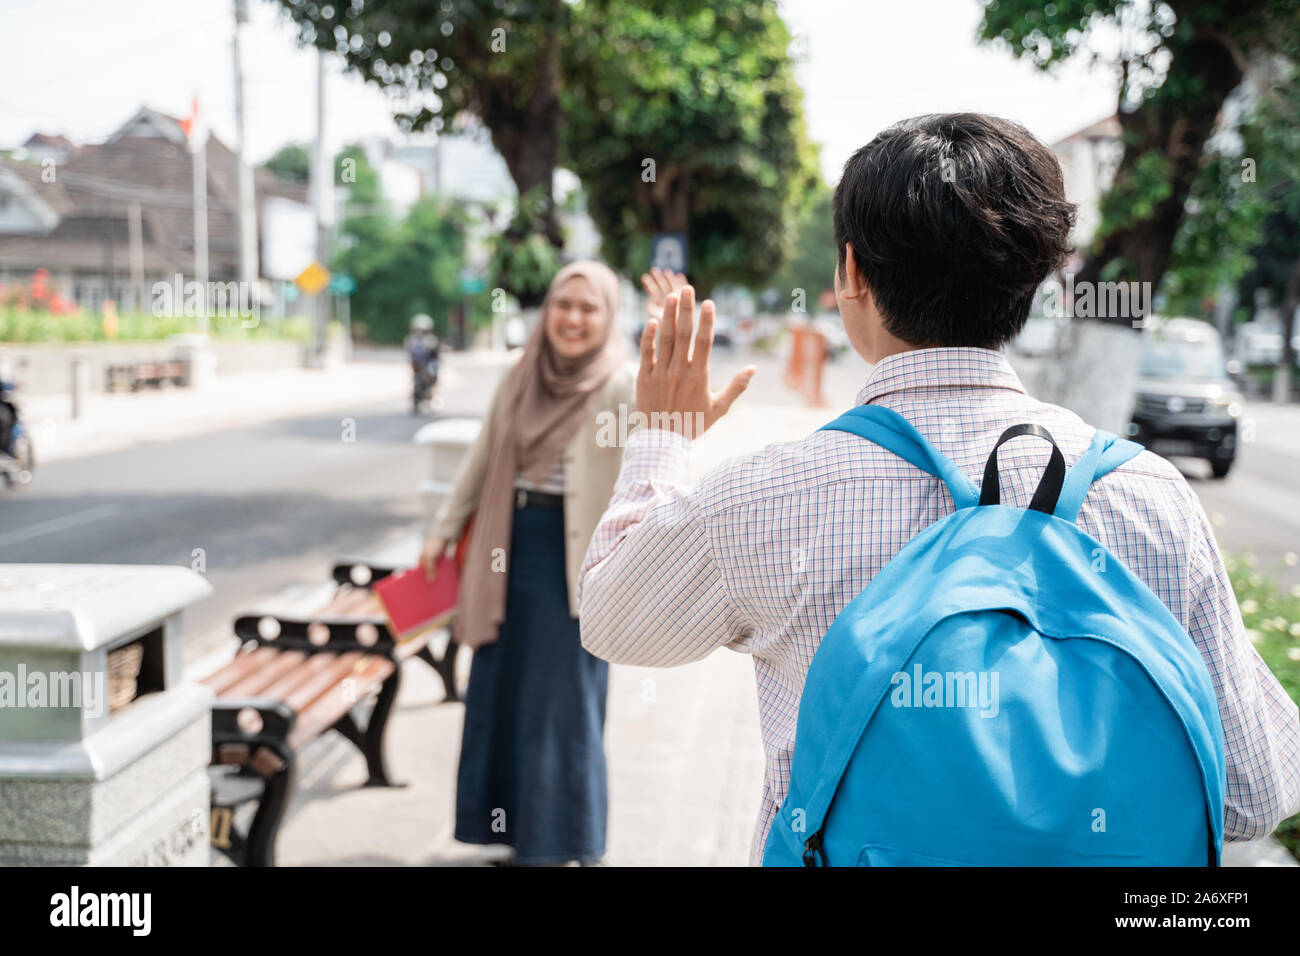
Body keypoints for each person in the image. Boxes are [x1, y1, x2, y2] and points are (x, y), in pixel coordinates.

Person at [577, 113, 1300, 864]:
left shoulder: (770, 495)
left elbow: (611, 618)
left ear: (851, 273)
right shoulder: (1150, 497)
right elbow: (1254, 789)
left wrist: (662, 432)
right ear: (1038, 279)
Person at [418, 260, 638, 866]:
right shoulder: (522, 371)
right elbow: (484, 455)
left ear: (607, 317)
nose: (573, 318)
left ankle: (571, 843)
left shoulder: (621, 384)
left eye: (589, 308)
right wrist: (443, 531)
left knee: (564, 706)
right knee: (503, 694)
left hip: (574, 567)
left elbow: (653, 474)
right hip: (505, 553)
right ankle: (520, 838)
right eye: (564, 304)